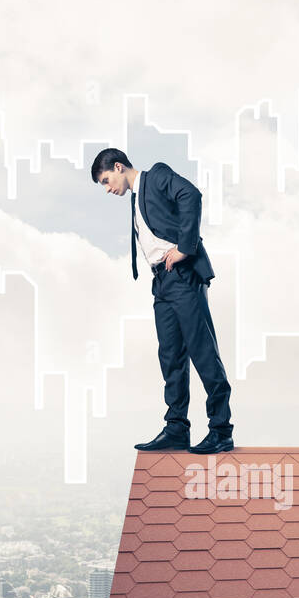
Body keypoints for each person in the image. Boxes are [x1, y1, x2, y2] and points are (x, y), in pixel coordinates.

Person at [90, 147, 235, 453]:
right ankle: (177, 428)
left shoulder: (156, 176)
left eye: (106, 180)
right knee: (171, 356)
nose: (107, 188)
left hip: (183, 275)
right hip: (162, 282)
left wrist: (186, 246)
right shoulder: (134, 198)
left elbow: (191, 196)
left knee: (203, 351)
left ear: (118, 167)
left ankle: (221, 430)